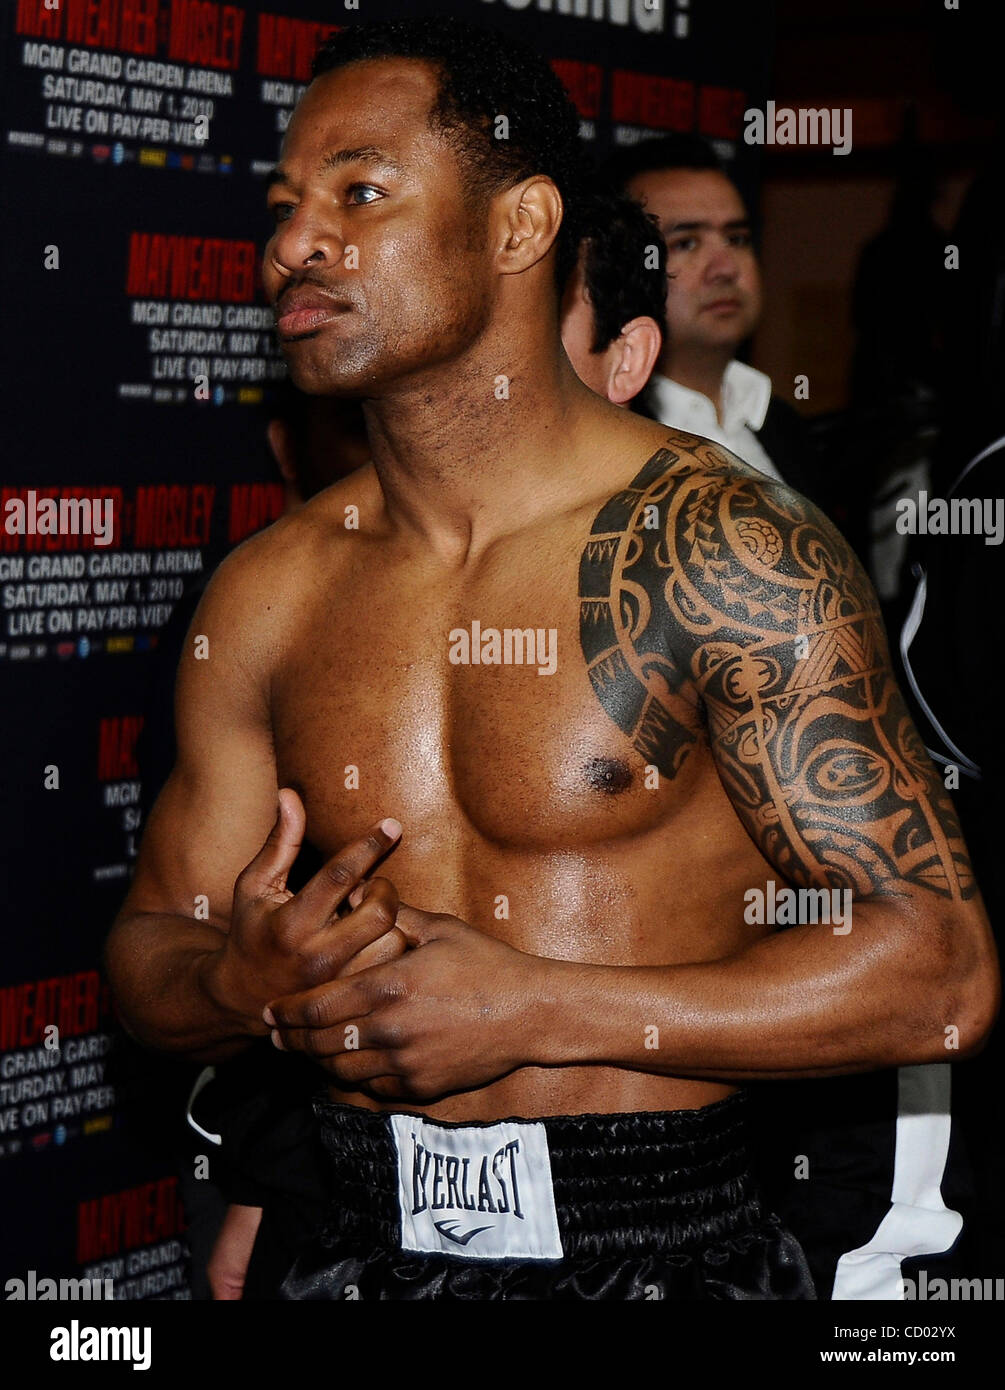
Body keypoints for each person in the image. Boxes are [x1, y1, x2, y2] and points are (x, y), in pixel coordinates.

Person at [104, 17, 997, 1303]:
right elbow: (150, 942)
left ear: (520, 229)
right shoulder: (266, 594)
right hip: (352, 1241)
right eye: (289, 204)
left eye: (360, 192)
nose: (295, 241)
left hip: (663, 1252)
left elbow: (941, 974)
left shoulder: (726, 551)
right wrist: (240, 982)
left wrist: (541, 1009)